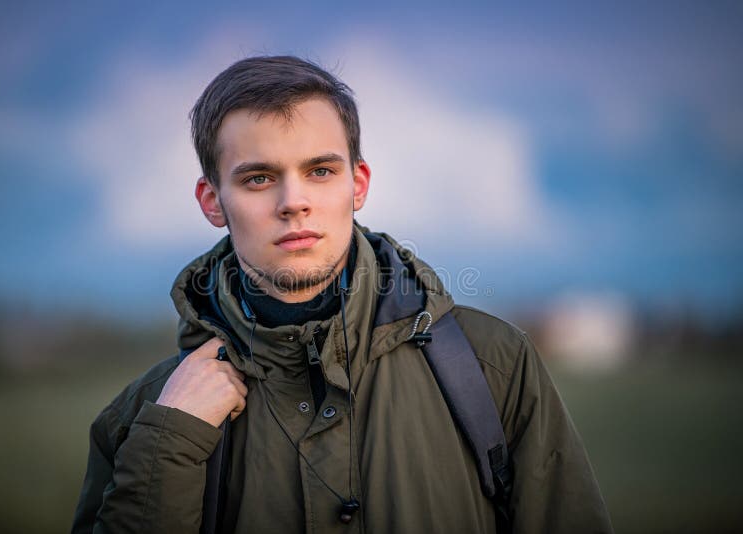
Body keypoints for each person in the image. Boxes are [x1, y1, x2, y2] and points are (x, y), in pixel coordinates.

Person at [71, 55, 613, 534]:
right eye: (259, 178)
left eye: (320, 170)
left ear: (357, 184)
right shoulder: (148, 417)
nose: (293, 201)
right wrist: (172, 445)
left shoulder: (493, 366)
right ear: (212, 200)